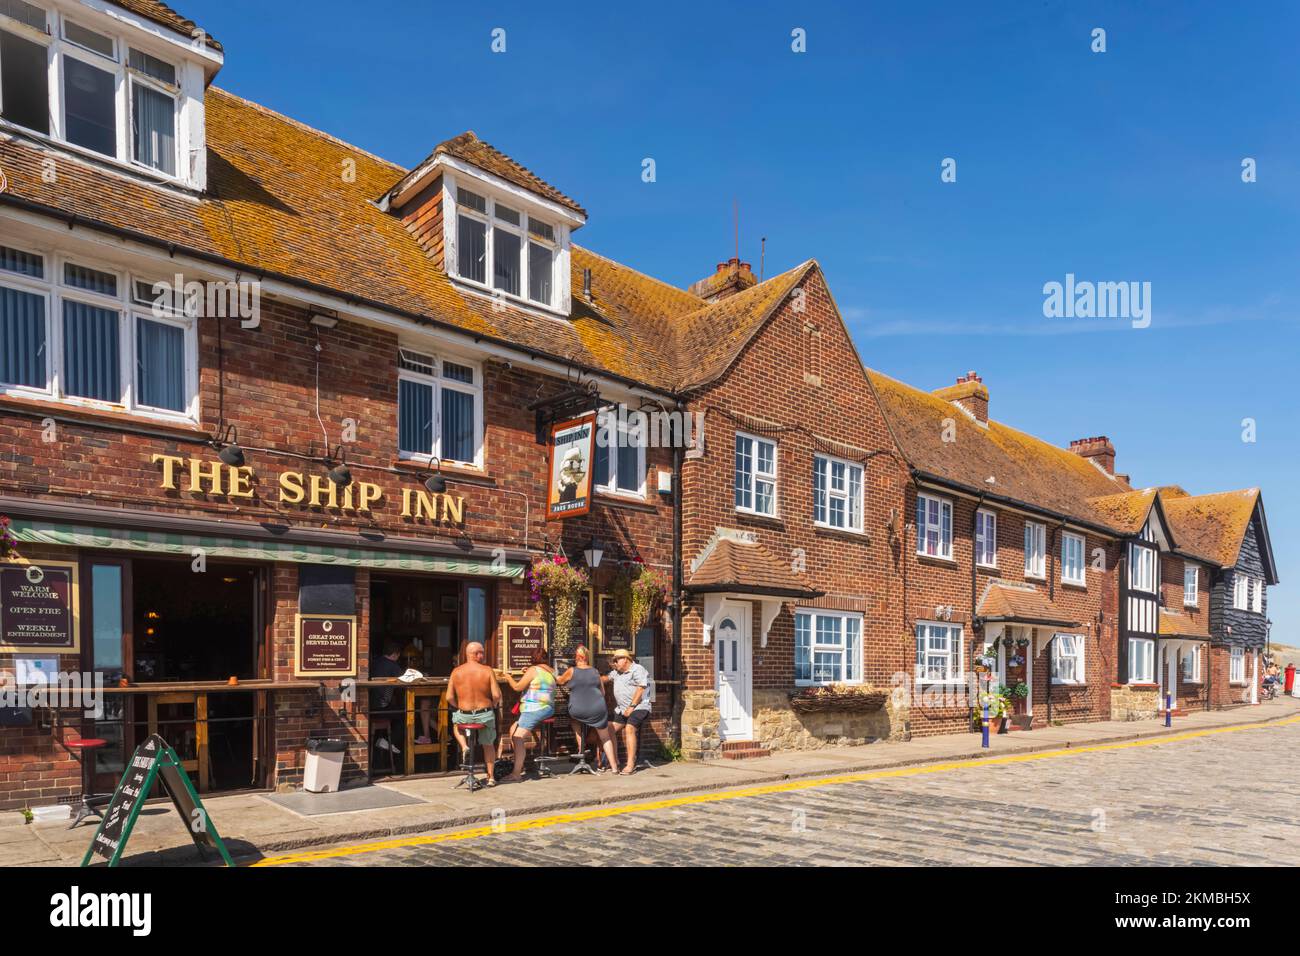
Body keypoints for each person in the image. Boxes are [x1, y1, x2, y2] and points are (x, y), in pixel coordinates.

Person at [446, 641, 502, 785]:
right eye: (481, 652)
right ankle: (490, 778)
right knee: (488, 745)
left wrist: (459, 706)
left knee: (456, 724)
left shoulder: (456, 671)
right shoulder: (487, 670)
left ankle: (464, 746)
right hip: (485, 713)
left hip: (464, 714)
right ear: (476, 654)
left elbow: (449, 697)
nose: (483, 655)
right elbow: (496, 695)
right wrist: (494, 705)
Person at [556, 645, 617, 772]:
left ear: (577, 658)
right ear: (587, 658)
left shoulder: (571, 670)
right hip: (598, 709)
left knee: (574, 720)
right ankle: (615, 768)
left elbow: (560, 681)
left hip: (578, 709)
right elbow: (603, 693)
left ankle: (581, 748)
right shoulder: (595, 671)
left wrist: (551, 672)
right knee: (605, 738)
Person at [501, 647, 556, 783]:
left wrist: (508, 677)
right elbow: (539, 681)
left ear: (533, 659)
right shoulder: (552, 671)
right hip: (548, 708)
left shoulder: (533, 670)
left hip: (534, 708)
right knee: (513, 728)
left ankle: (516, 774)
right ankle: (519, 763)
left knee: (518, 738)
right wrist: (528, 672)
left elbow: (517, 687)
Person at [608, 649, 652, 774]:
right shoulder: (616, 672)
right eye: (614, 661)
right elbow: (606, 678)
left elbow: (641, 688)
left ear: (626, 659)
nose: (615, 663)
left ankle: (630, 764)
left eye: (617, 660)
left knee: (629, 728)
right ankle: (614, 761)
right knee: (609, 728)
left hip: (639, 707)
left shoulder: (637, 669)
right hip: (622, 709)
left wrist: (631, 707)